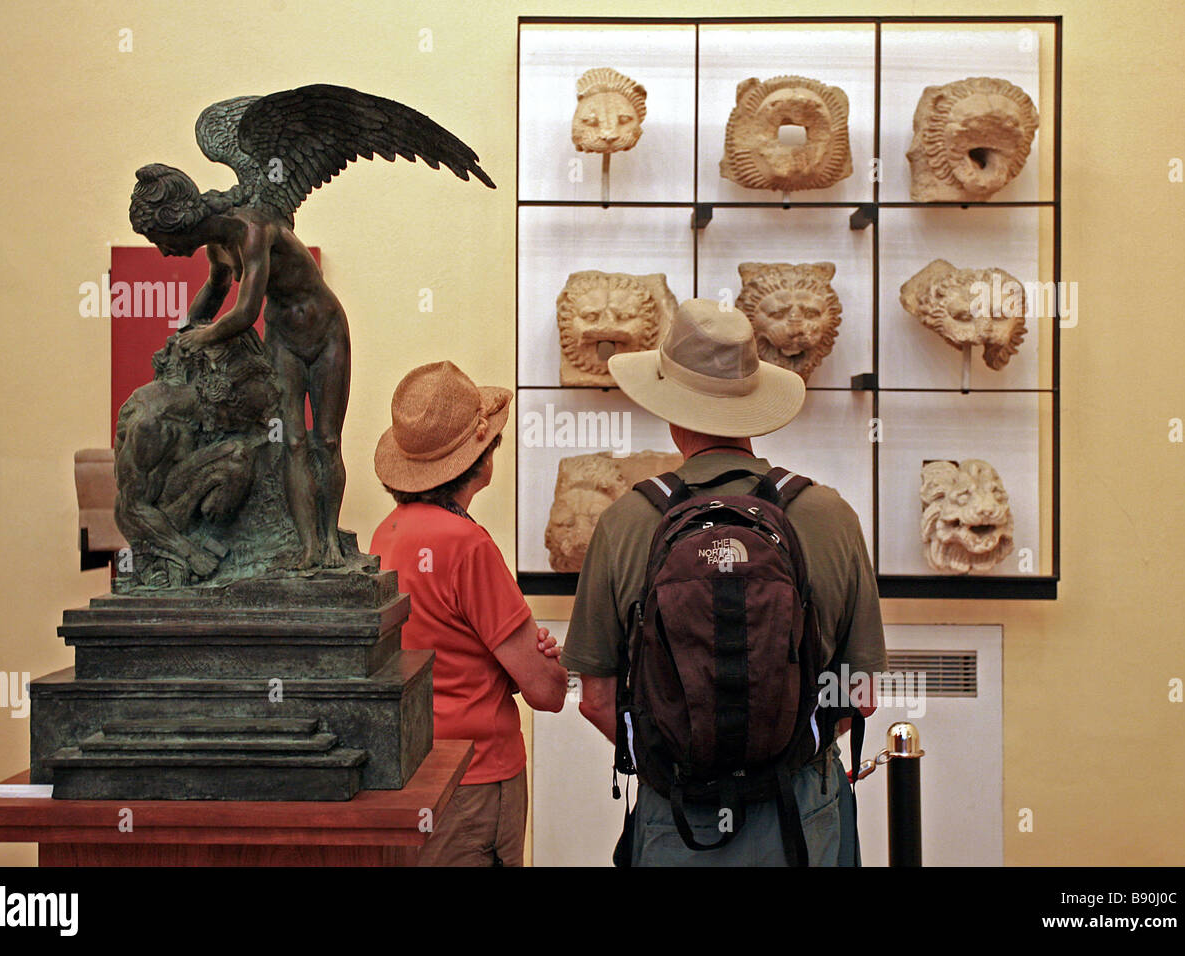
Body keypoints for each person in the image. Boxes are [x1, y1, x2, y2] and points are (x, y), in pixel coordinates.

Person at [561, 299, 887, 866]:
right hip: (801, 814)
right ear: (754, 404)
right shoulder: (831, 515)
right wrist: (779, 756)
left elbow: (595, 700)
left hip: (679, 819)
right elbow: (859, 696)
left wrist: (679, 758)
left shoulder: (626, 521)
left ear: (670, 409)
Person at [370, 360, 568, 866]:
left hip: (410, 772)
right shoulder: (467, 544)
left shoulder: (387, 532)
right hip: (475, 780)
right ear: (479, 459)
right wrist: (542, 660)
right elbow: (546, 692)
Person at [129, 163, 349, 571]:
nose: (164, 253)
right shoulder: (219, 246)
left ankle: (332, 539)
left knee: (328, 441)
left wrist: (204, 336)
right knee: (293, 443)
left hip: (327, 331)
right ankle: (309, 547)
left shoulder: (252, 231)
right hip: (283, 336)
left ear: (181, 226)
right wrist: (185, 332)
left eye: (163, 242)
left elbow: (246, 311)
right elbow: (215, 291)